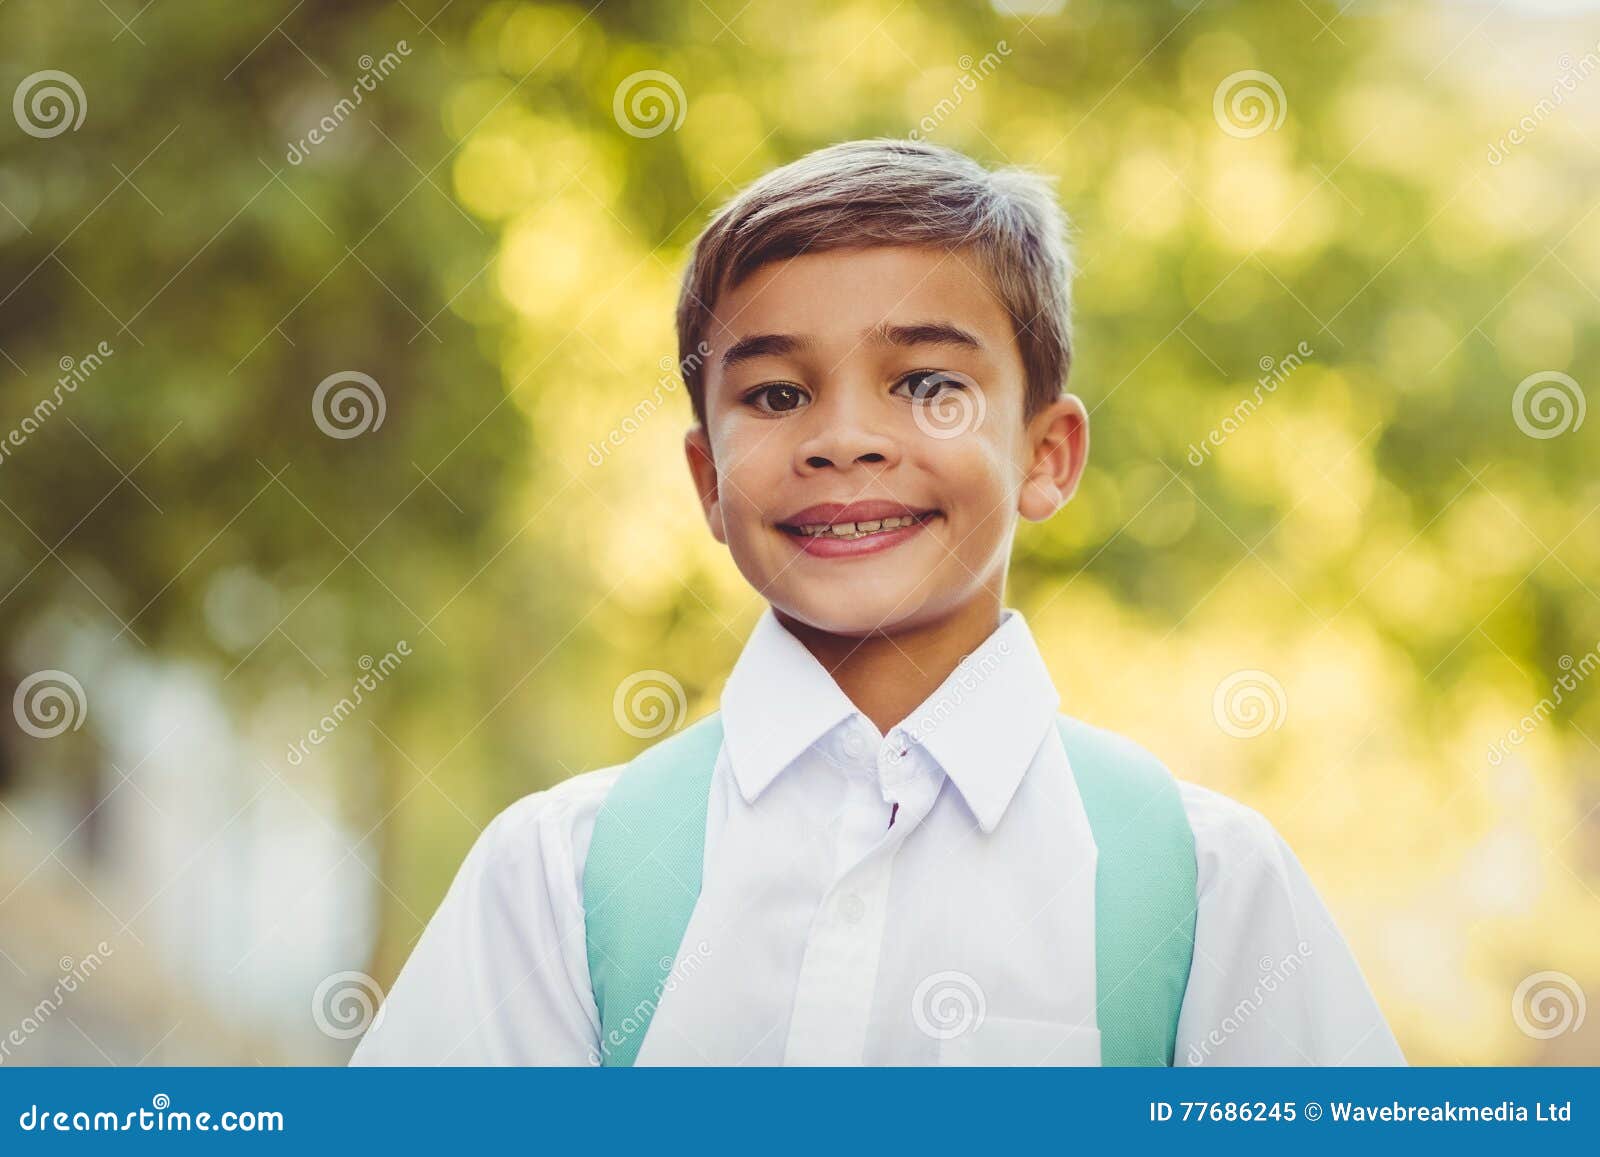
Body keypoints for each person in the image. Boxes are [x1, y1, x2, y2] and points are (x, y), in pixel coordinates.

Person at [351, 138, 1404, 1067]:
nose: (843, 437)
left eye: (925, 383)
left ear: (1047, 454)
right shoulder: (556, 875)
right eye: (774, 394)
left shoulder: (1206, 882)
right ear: (708, 479)